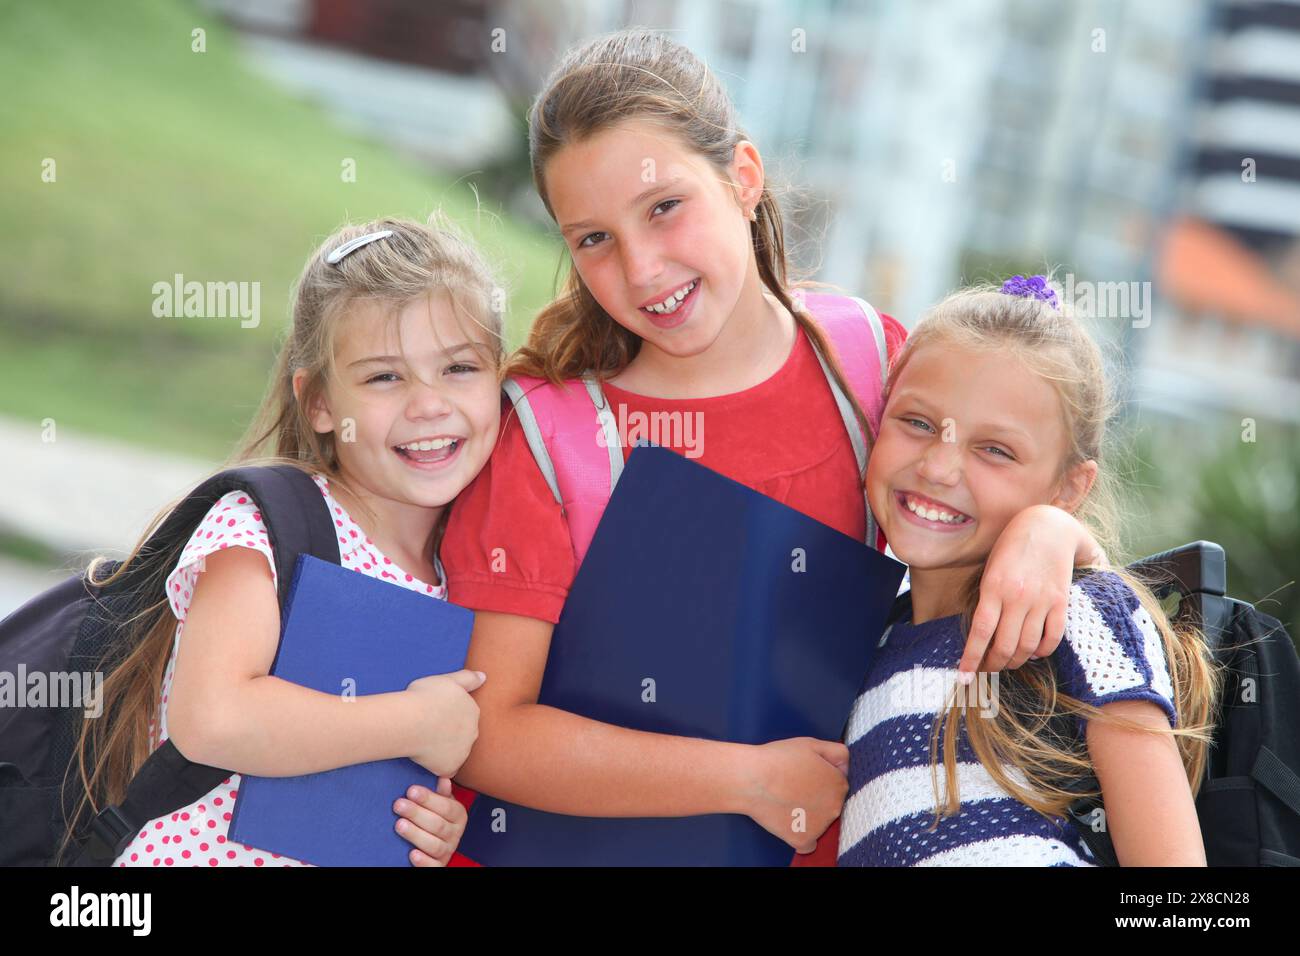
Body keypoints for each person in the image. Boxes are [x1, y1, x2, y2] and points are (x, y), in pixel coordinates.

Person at [441, 31, 1110, 863]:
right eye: (593, 239)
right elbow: (484, 735)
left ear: (743, 178)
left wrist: (1049, 534)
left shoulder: (868, 361)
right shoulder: (546, 435)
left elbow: (979, 503)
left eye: (663, 208)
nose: (644, 268)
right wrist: (744, 779)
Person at [64, 216, 504, 867]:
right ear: (319, 402)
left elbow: (361, 779)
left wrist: (426, 826)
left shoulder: (464, 575)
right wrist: (414, 723)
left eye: (460, 367)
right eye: (386, 377)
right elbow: (213, 718)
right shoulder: (268, 524)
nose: (429, 404)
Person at [838, 277, 1220, 866]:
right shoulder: (862, 644)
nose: (938, 467)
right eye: (916, 421)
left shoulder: (1084, 612)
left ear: (1069, 488)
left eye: (995, 449)